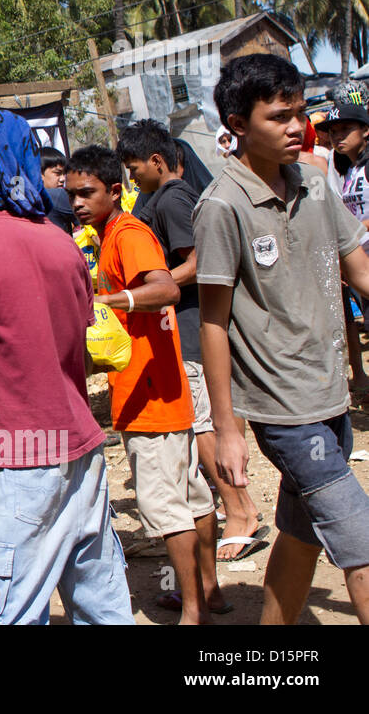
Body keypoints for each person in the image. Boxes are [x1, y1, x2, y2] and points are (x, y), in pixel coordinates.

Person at [195, 53, 369, 625]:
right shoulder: (222, 207)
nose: (297, 127)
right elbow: (213, 323)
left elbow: (359, 269)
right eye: (280, 116)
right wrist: (227, 430)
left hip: (330, 393)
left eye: (299, 113)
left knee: (300, 534)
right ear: (238, 125)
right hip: (284, 409)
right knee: (361, 541)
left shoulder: (316, 183)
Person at [0, 112, 132, 625]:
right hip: (82, 445)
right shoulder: (61, 242)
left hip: (18, 455)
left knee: (13, 609)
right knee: (101, 601)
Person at [66, 145, 226, 624]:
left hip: (150, 389)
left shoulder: (128, 234)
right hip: (158, 383)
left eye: (87, 193)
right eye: (71, 193)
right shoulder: (105, 234)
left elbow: (167, 288)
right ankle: (209, 592)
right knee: (193, 492)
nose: (77, 202)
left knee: (165, 505)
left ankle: (192, 610)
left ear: (115, 191)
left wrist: (110, 301)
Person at [117, 120, 263, 564]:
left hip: (191, 329)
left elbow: (200, 262)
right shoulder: (156, 198)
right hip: (179, 331)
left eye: (135, 166)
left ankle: (241, 512)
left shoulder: (173, 199)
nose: (131, 177)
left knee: (202, 428)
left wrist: (149, 291)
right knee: (194, 427)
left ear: (158, 161)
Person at [325, 102, 369, 396]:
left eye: (345, 129)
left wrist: (355, 234)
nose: (338, 136)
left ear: (365, 130)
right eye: (333, 131)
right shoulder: (349, 169)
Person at [40, 145, 78, 233]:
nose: (63, 179)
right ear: (40, 174)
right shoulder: (58, 195)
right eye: (57, 173)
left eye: (64, 173)